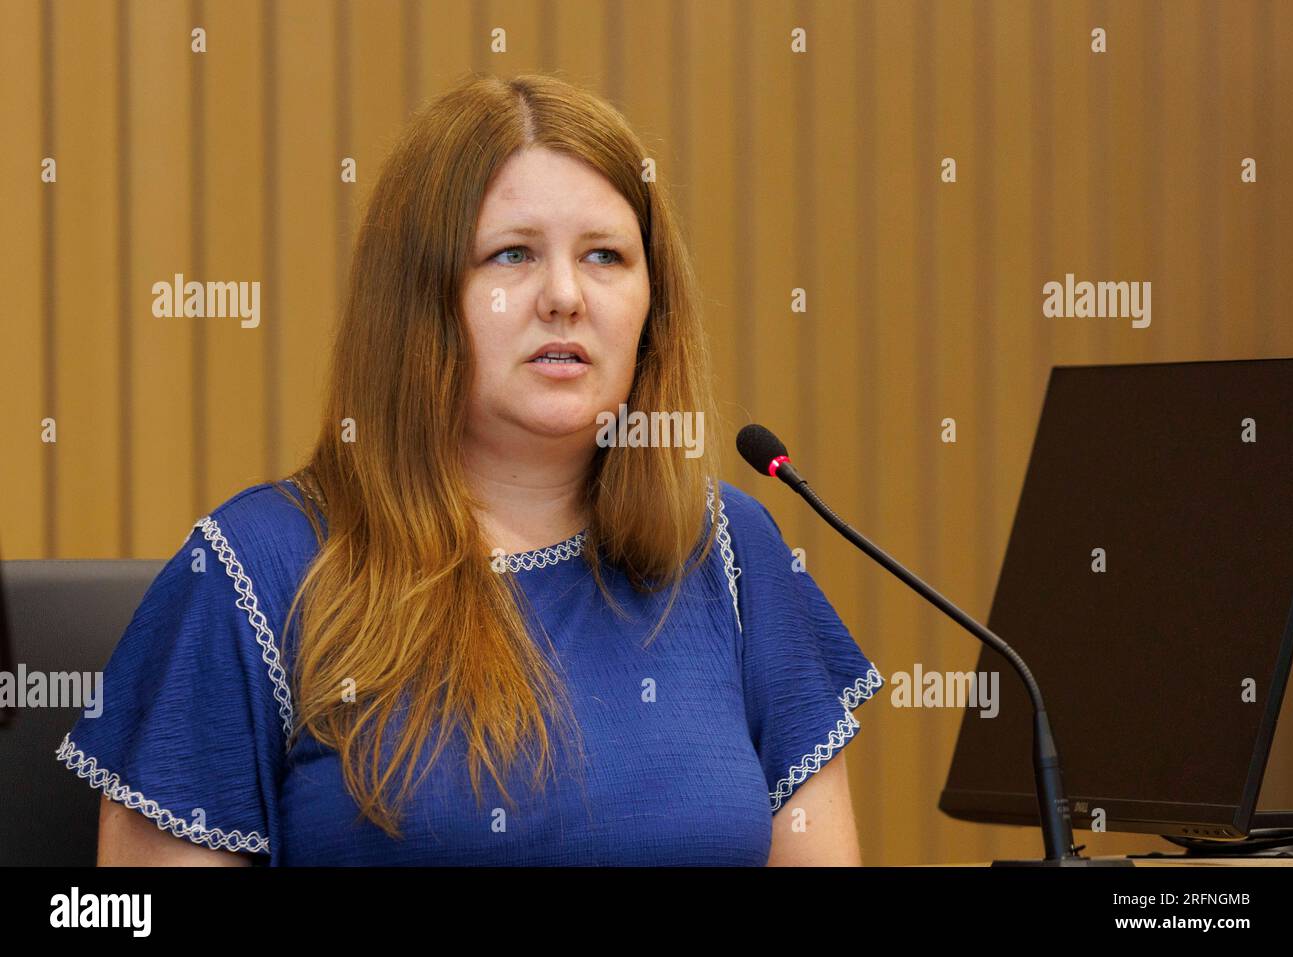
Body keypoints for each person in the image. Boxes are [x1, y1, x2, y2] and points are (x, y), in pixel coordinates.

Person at [56, 72, 883, 866]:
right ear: (416, 301)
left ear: (652, 304)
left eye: (605, 257)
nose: (565, 295)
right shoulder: (253, 570)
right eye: (512, 255)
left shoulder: (732, 550)